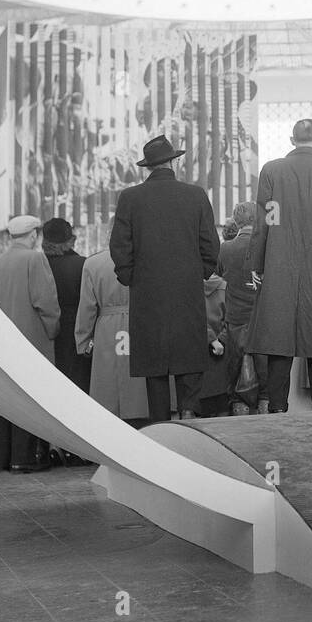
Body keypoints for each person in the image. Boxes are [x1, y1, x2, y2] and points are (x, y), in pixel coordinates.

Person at [109, 134, 219, 424]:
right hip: (187, 290)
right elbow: (210, 245)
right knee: (189, 355)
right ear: (174, 161)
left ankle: (159, 424)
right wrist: (199, 274)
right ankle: (188, 413)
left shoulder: (130, 198)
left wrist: (133, 278)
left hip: (147, 293)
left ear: (148, 167)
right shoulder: (195, 195)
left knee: (154, 364)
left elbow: (120, 246)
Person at [246, 119, 312, 413]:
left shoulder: (272, 170)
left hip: (280, 264)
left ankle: (278, 408)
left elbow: (263, 221)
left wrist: (257, 262)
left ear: (292, 140)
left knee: (280, 340)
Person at [0, 215, 61, 472]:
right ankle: (24, 458)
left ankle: (4, 458)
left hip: (3, 345)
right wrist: (53, 331)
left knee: (8, 399)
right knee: (30, 399)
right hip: (32, 343)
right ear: (33, 235)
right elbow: (46, 302)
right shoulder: (35, 259)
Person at [76, 248, 148, 424]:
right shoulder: (148, 258)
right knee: (142, 390)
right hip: (143, 323)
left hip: (108, 330)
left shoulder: (93, 263)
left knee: (109, 389)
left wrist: (83, 341)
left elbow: (87, 308)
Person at [217, 201, 264, 416]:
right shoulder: (267, 246)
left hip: (236, 318)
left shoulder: (225, 248)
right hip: (263, 317)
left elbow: (218, 274)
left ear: (237, 221)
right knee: (266, 375)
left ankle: (240, 414)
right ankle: (266, 411)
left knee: (237, 375)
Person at [42, 219, 91, 394]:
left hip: (45, 331)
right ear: (71, 240)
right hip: (75, 330)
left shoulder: (38, 264)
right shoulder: (81, 264)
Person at [200, 273, 229, 416]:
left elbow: (193, 318)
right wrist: (220, 340)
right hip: (221, 353)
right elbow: (230, 318)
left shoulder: (189, 287)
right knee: (222, 406)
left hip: (198, 350)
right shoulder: (224, 287)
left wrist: (210, 339)